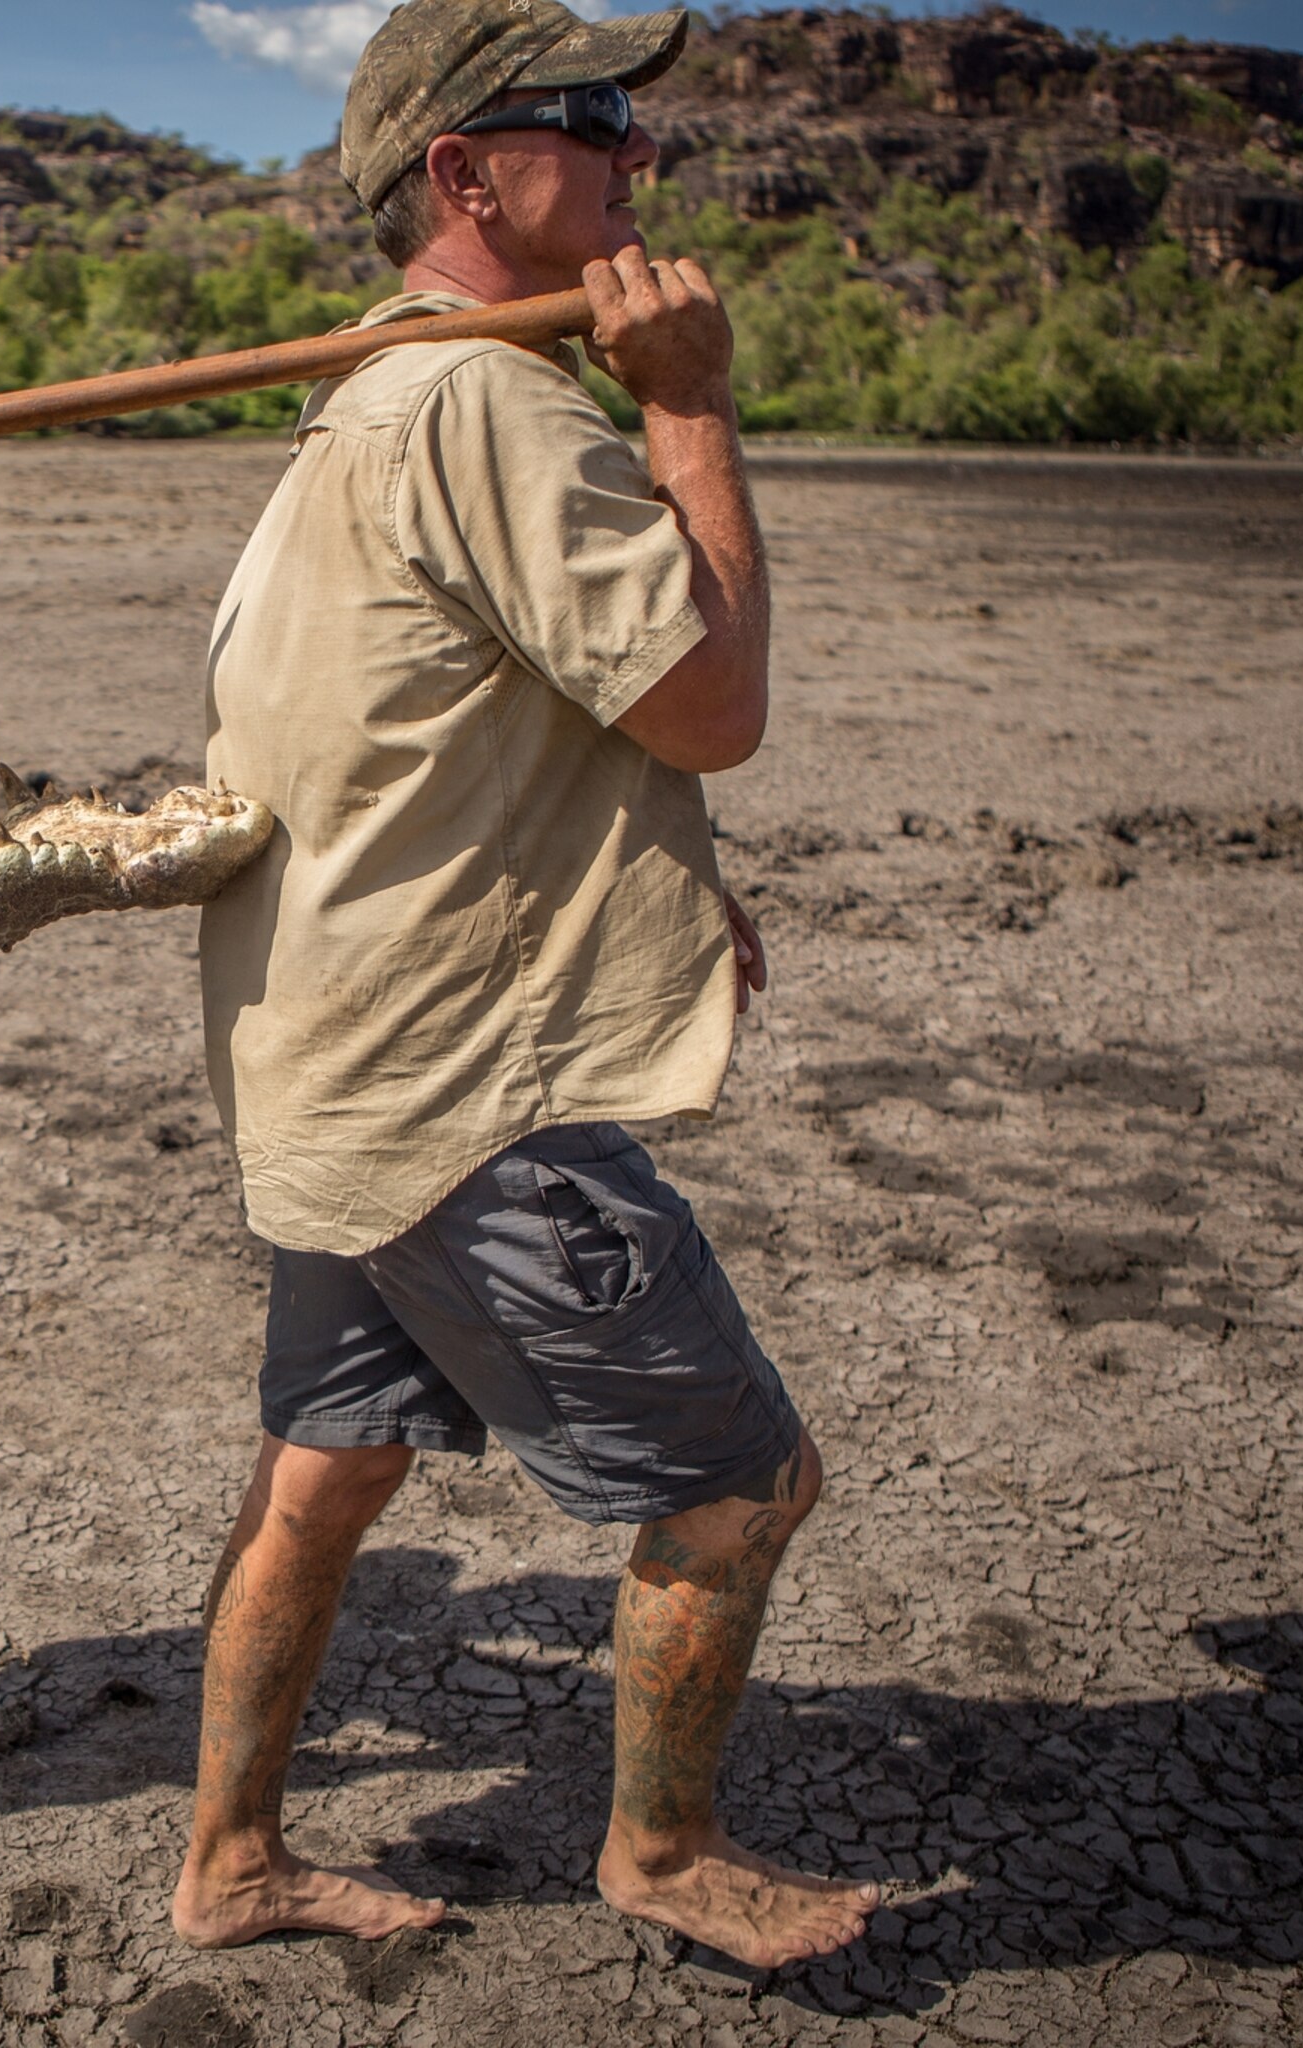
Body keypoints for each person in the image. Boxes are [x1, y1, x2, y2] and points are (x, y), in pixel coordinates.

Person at [171, 0, 880, 1967]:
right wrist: (689, 401)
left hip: (334, 1066)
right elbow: (715, 705)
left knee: (329, 1470)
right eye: (594, 121)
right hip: (462, 1098)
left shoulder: (369, 408)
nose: (643, 155)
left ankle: (231, 1856)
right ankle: (658, 1853)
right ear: (468, 175)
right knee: (743, 1488)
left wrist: (663, 888)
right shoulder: (486, 406)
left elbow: (433, 745)